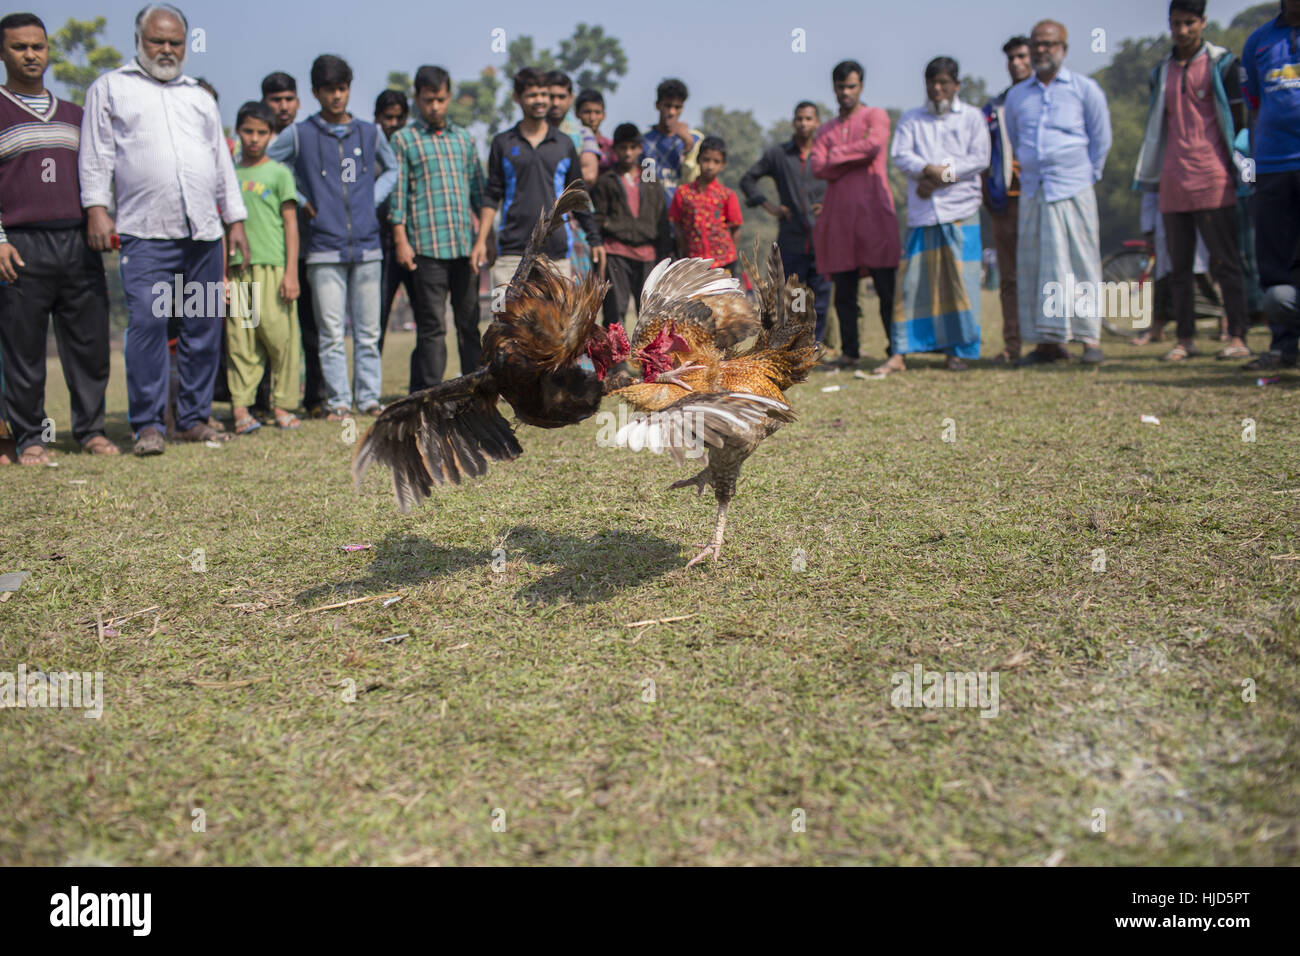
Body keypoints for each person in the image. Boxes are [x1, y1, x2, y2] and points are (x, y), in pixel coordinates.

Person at [80, 3, 249, 456]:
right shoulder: (111, 88)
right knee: (149, 324)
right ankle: (148, 424)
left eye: (176, 42)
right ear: (139, 40)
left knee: (203, 325)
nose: (167, 50)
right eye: (158, 41)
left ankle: (192, 419)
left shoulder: (199, 96)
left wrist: (235, 220)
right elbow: (95, 155)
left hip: (204, 235)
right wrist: (96, 208)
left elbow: (221, 162)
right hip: (145, 233)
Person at [0, 12, 115, 466]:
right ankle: (30, 438)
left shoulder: (75, 115)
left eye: (38, 46)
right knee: (24, 349)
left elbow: (96, 176)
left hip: (77, 242)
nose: (31, 54)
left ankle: (91, 430)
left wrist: (99, 217)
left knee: (89, 344)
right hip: (20, 246)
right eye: (19, 47)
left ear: (49, 50)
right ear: (3, 51)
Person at [267, 54, 397, 420]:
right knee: (331, 333)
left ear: (349, 89)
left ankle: (369, 398)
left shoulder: (369, 132)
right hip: (323, 248)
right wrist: (301, 197)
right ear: (316, 92)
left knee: (369, 333)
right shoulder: (300, 134)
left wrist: (370, 199)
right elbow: (271, 163)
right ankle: (338, 401)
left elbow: (392, 169)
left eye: (342, 89)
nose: (337, 96)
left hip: (368, 246)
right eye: (329, 90)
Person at [1133, 0, 1251, 363]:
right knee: (1177, 266)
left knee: (1226, 262)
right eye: (1175, 24)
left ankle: (1237, 335)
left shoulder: (1223, 64)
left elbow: (1239, 118)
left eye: (1189, 23)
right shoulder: (1161, 71)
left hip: (1213, 176)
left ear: (1202, 22)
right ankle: (1185, 338)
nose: (1182, 31)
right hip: (1172, 180)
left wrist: (1243, 165)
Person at [1005, 20, 1112, 366]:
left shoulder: (1084, 89)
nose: (1041, 51)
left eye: (1049, 44)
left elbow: (1101, 141)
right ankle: (1047, 343)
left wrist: (1085, 176)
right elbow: (1015, 138)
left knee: (1080, 266)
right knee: (1037, 269)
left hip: (1073, 189)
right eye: (1036, 44)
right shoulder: (1018, 94)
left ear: (1063, 49)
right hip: (1034, 191)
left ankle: (1089, 339)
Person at [884, 56, 990, 374]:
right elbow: (901, 155)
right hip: (924, 213)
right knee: (913, 284)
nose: (938, 89)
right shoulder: (912, 119)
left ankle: (958, 351)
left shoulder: (972, 117)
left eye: (944, 83)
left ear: (956, 85)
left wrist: (940, 177)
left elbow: (980, 158)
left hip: (961, 210)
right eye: (932, 83)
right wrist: (926, 171)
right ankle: (901, 351)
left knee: (961, 285)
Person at [389, 65, 485, 390]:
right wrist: (401, 240)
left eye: (441, 99)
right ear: (417, 99)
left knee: (469, 323)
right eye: (428, 100)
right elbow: (398, 195)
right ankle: (429, 394)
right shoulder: (404, 140)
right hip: (426, 248)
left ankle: (476, 390)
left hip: (465, 247)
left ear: (449, 97)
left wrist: (483, 240)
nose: (435, 107)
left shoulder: (464, 140)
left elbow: (479, 194)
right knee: (432, 326)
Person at [471, 67, 604, 290]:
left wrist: (595, 239)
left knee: (557, 325)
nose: (540, 101)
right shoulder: (503, 143)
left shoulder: (564, 144)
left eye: (544, 95)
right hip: (512, 253)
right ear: (517, 98)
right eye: (532, 95)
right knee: (505, 322)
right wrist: (482, 240)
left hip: (556, 255)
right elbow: (492, 195)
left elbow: (577, 197)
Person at [811, 59, 901, 369]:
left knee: (886, 287)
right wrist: (852, 156)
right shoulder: (827, 128)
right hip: (839, 220)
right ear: (834, 89)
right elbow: (817, 166)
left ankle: (896, 351)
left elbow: (874, 146)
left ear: (861, 86)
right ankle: (851, 351)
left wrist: (836, 156)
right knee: (844, 291)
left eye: (851, 86)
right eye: (841, 87)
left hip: (875, 214)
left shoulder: (875, 115)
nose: (846, 92)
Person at [225, 101, 300, 434]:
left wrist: (291, 272)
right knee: (240, 340)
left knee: (279, 336)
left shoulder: (279, 173)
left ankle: (282, 404)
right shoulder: (227, 173)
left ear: (271, 135)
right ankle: (241, 410)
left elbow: (290, 225)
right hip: (238, 269)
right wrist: (224, 275)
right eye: (248, 132)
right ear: (238, 132)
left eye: (261, 132)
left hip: (274, 267)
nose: (254, 139)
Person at [1241, 0, 1300, 370]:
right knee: (1274, 267)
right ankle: (1282, 346)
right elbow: (1254, 105)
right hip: (1274, 166)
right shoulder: (1258, 42)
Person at [740, 101, 830, 341]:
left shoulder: (827, 153)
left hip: (823, 237)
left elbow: (844, 183)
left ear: (817, 122)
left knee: (820, 296)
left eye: (809, 119)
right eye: (799, 118)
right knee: (794, 295)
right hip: (792, 238)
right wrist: (769, 206)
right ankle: (794, 345)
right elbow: (748, 179)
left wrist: (831, 204)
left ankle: (815, 345)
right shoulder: (779, 155)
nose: (803, 123)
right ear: (793, 122)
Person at [982, 35, 1032, 364]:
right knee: (1009, 277)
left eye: (1022, 56)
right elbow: (982, 156)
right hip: (1006, 202)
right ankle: (1012, 345)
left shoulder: (1048, 100)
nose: (1016, 63)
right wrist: (990, 194)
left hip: (1042, 197)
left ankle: (1051, 342)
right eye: (1011, 58)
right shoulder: (994, 108)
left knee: (1046, 272)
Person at [593, 122, 667, 328]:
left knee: (650, 313)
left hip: (648, 254)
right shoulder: (606, 180)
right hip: (616, 251)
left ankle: (648, 360)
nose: (627, 153)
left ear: (640, 149)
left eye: (632, 148)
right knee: (615, 311)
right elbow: (597, 218)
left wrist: (664, 255)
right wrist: (597, 250)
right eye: (623, 148)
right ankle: (616, 360)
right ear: (615, 149)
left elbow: (661, 218)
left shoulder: (650, 179)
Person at [668, 136, 742, 275]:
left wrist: (731, 255)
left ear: (723, 164)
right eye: (706, 159)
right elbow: (677, 225)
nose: (710, 166)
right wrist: (684, 253)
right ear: (698, 160)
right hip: (694, 262)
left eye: (716, 161)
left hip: (724, 262)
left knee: (723, 297)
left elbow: (735, 227)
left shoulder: (726, 195)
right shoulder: (683, 193)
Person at [374, 87, 412, 357]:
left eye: (400, 118)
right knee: (377, 315)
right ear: (377, 118)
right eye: (389, 118)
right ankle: (369, 386)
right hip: (379, 244)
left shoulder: (411, 149)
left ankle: (421, 382)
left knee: (427, 314)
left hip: (413, 243)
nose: (394, 124)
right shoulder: (367, 155)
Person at [643, 77, 701, 202]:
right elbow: (647, 181)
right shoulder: (645, 142)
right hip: (654, 213)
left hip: (685, 212)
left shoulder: (696, 140)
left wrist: (688, 145)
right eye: (667, 106)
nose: (672, 112)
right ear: (658, 105)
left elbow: (696, 181)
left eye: (677, 107)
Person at [575, 88, 615, 174]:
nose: (592, 118)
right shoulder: (572, 142)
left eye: (597, 112)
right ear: (577, 113)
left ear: (604, 115)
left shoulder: (611, 146)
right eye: (587, 112)